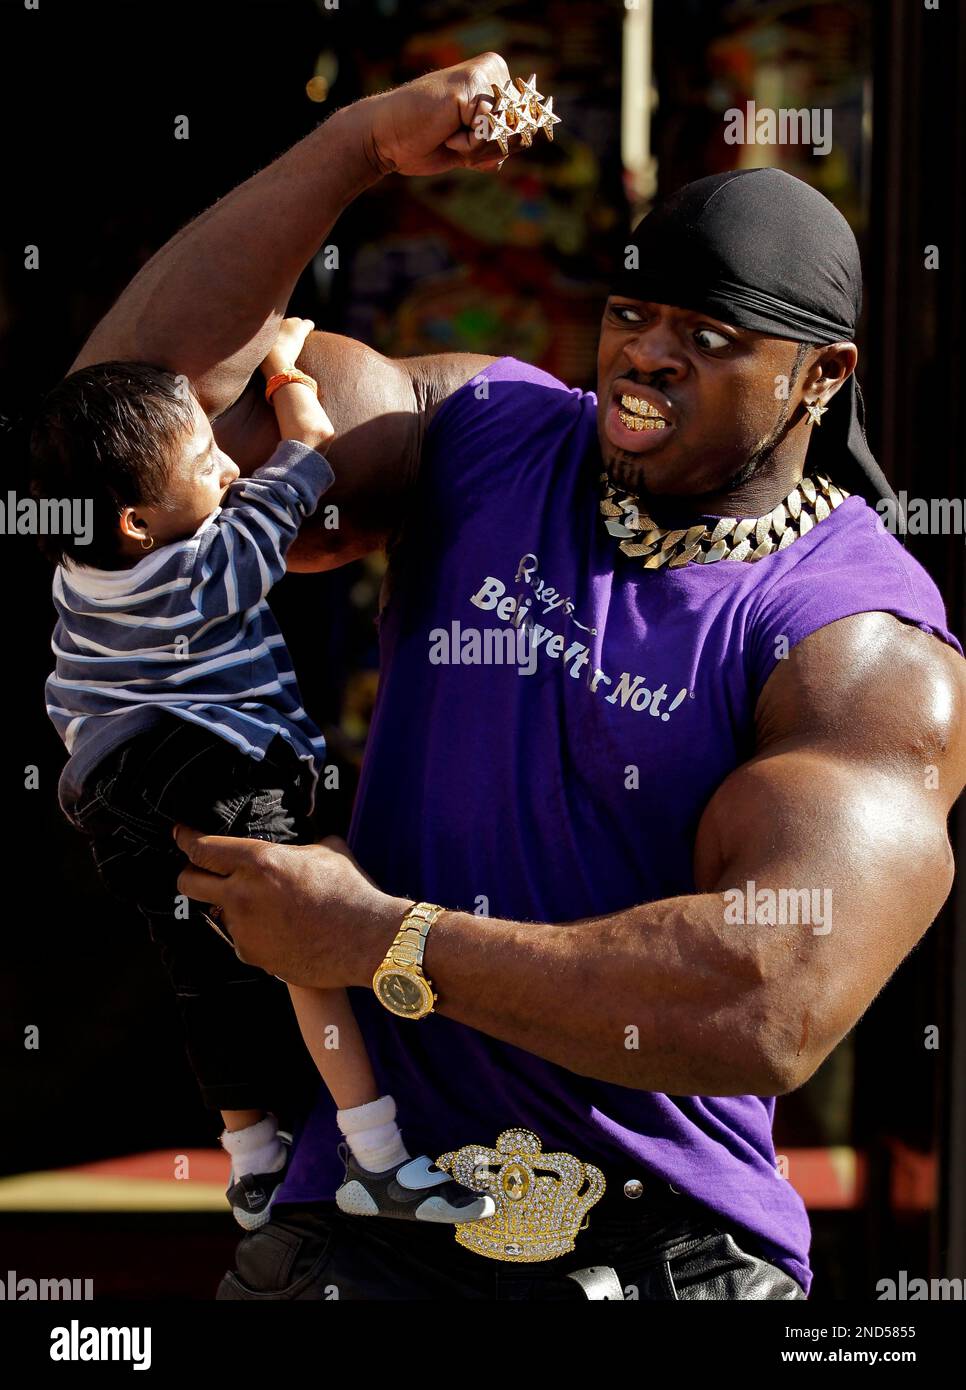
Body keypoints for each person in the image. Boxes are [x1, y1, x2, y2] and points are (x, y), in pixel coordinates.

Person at [67, 53, 966, 1301]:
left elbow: (770, 1000)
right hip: (370, 1225)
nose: (645, 358)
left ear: (821, 376)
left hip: (664, 1251)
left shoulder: (854, 636)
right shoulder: (491, 435)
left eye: (709, 339)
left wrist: (387, 940)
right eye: (630, 315)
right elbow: (133, 435)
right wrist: (358, 148)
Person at [30, 315, 493, 1235]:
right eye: (205, 461)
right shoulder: (210, 568)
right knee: (303, 938)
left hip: (112, 793)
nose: (229, 468)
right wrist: (283, 368)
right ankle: (378, 1158)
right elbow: (312, 447)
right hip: (206, 763)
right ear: (136, 520)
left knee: (203, 963)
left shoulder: (80, 570)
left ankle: (249, 1163)